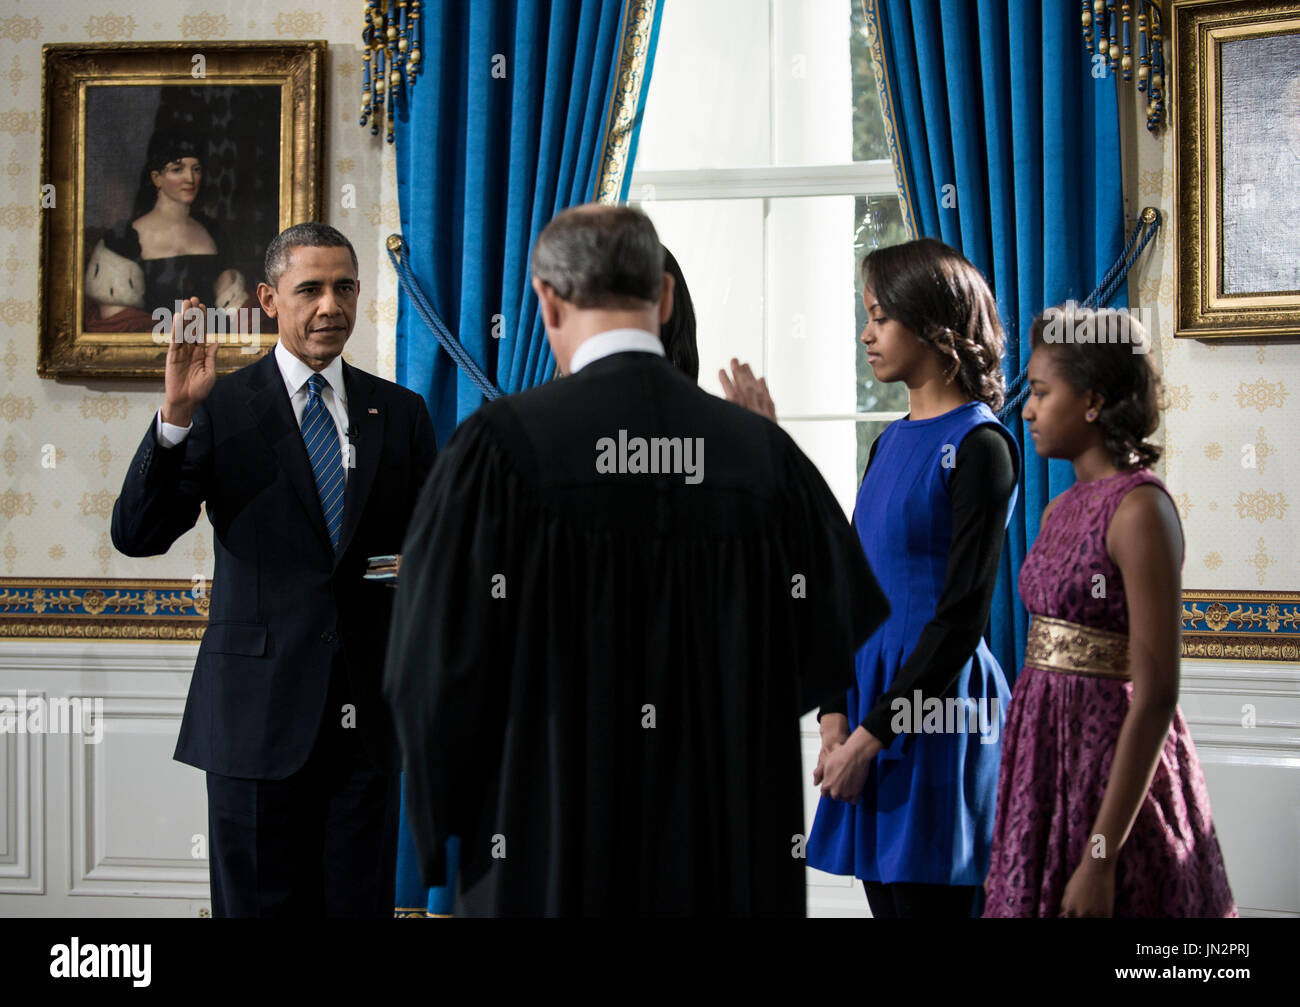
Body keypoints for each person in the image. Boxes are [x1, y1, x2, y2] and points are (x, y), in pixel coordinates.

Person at [383, 203, 889, 916]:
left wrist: (443, 837)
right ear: (665, 296)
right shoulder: (761, 453)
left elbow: (429, 662)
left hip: (547, 843)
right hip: (727, 848)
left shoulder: (498, 449)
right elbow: (833, 632)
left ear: (548, 301)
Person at [111, 222, 437, 916]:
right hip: (253, 723)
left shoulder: (401, 413)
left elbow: (428, 553)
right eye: (310, 288)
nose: (331, 305)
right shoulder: (219, 406)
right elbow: (138, 534)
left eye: (344, 286)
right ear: (268, 298)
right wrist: (173, 416)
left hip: (368, 727)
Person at [727, 238, 1020, 917]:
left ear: (935, 326)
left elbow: (961, 620)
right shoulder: (888, 441)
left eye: (881, 316)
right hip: (871, 709)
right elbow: (844, 583)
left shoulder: (982, 446)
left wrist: (871, 736)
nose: (866, 332)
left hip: (937, 712)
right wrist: (834, 715)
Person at [983, 305, 1235, 917]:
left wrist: (1100, 857)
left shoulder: (1141, 509)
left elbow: (1155, 695)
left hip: (1112, 779)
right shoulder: (1059, 509)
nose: (1027, 408)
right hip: (1041, 763)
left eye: (1041, 392)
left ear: (1093, 400)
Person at [87, 129, 256, 331]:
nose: (190, 179)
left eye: (196, 169)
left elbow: (234, 309)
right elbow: (119, 323)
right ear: (157, 178)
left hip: (212, 346)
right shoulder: (124, 239)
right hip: (153, 354)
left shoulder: (212, 232)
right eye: (178, 169)